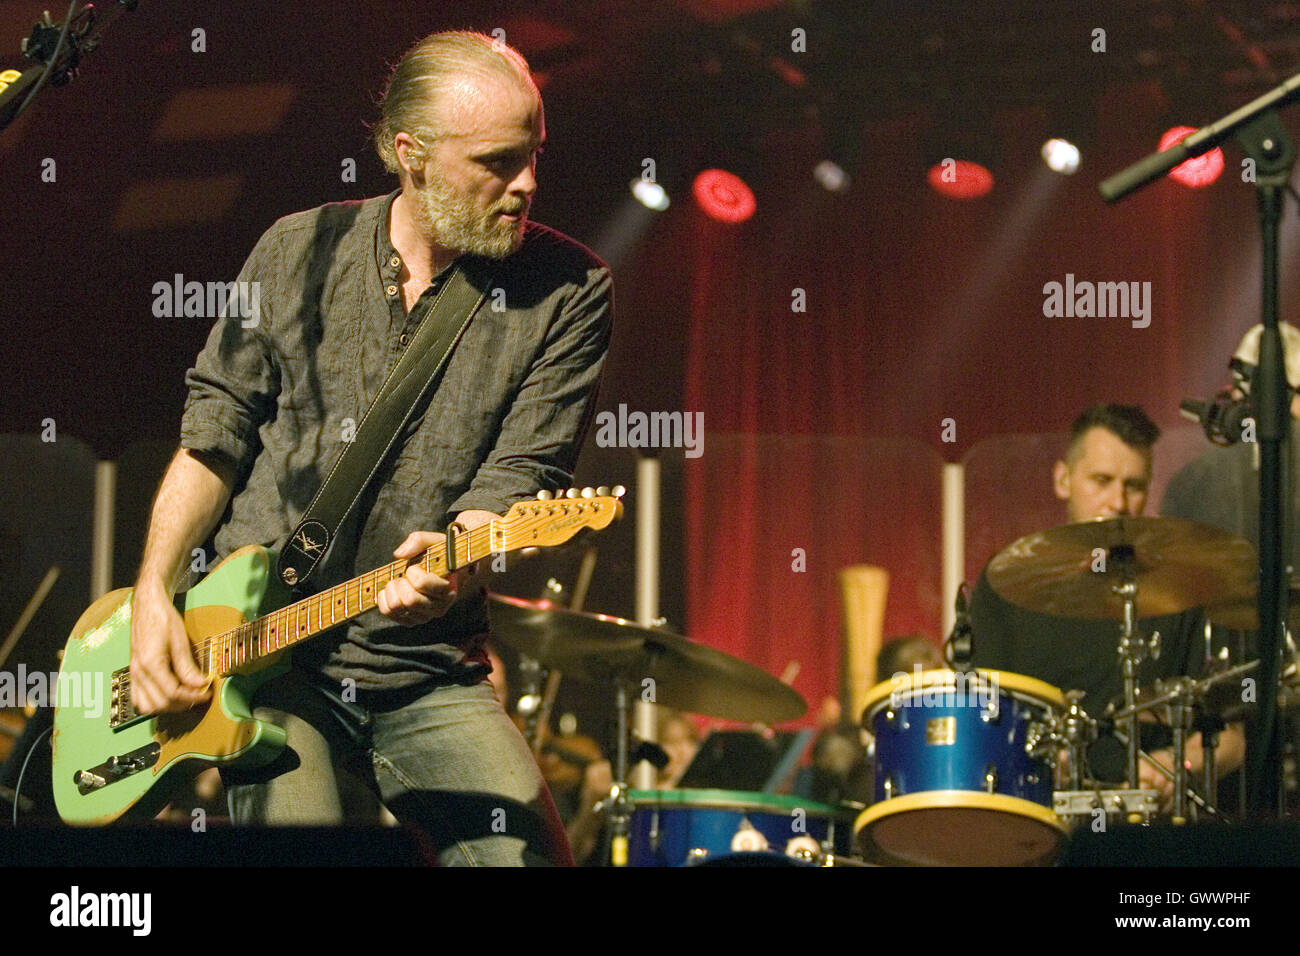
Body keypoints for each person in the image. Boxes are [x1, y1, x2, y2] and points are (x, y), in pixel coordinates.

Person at [127, 31, 613, 865]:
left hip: (424, 665)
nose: (526, 183)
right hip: (261, 655)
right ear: (409, 155)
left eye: (533, 154)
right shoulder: (294, 250)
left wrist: (455, 558)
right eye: (497, 161)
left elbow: (522, 470)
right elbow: (214, 433)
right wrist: (151, 595)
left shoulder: (569, 290)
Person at [969, 404, 1245, 805]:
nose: (1118, 502)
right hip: (1036, 815)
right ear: (1063, 479)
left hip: (1147, 826)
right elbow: (977, 717)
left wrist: (1176, 764)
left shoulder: (1183, 593)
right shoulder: (1005, 585)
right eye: (1101, 480)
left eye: (1134, 485)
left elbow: (1232, 740)